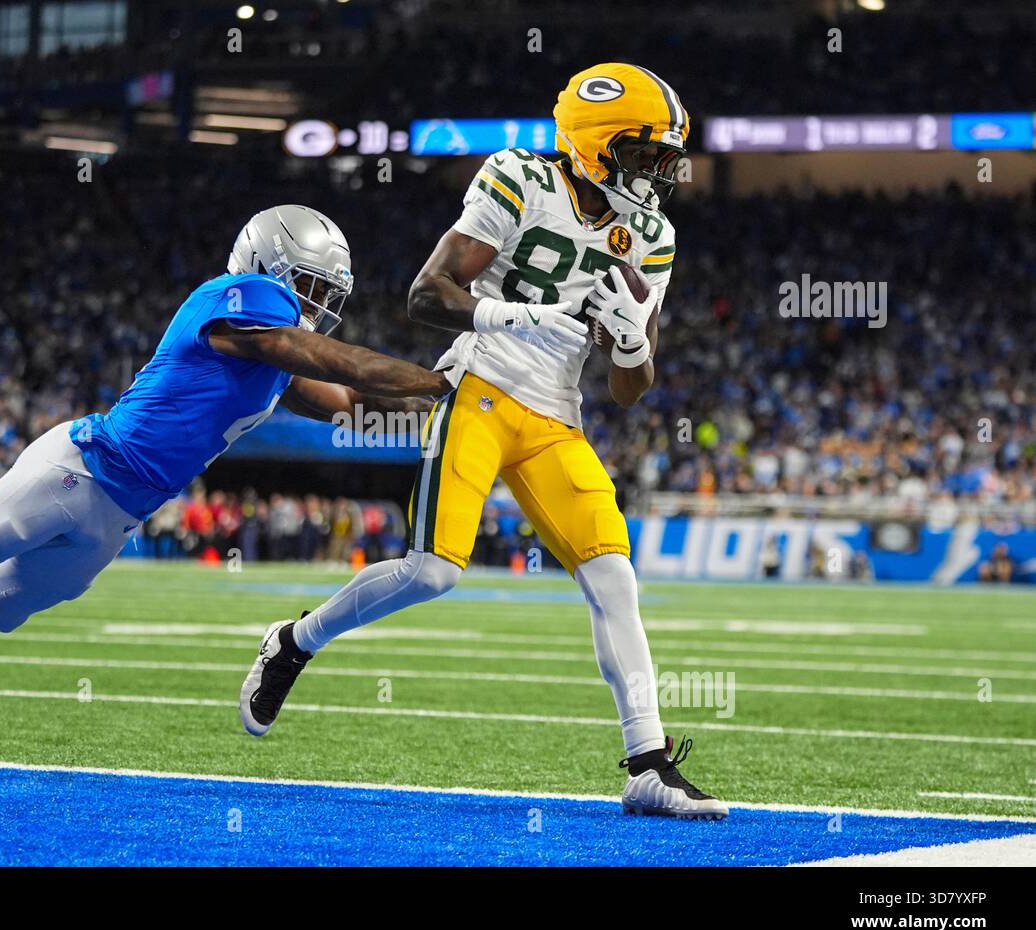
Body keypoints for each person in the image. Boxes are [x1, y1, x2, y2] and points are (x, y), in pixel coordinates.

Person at [0, 204, 447, 775]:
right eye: (310, 287)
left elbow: (341, 401)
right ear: (266, 268)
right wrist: (430, 378)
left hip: (119, 519)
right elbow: (326, 358)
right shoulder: (240, 304)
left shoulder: (276, 356)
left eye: (328, 296)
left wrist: (446, 414)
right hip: (77, 469)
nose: (319, 307)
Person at [239, 65, 726, 819]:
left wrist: (631, 347)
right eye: (646, 151)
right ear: (598, 145)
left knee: (614, 577)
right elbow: (425, 297)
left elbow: (633, 391)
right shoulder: (520, 180)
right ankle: (296, 640)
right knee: (433, 572)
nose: (661, 170)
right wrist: (513, 317)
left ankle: (648, 764)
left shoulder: (652, 235)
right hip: (481, 388)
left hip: (556, 414)